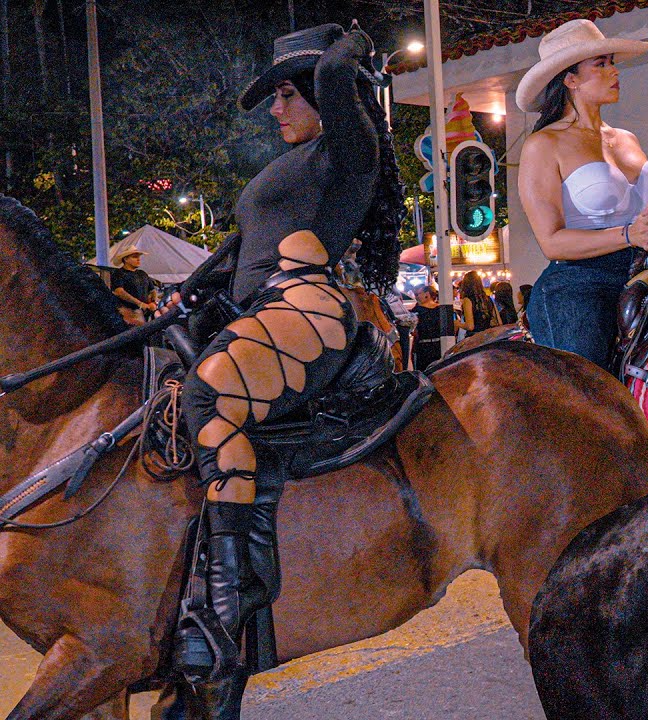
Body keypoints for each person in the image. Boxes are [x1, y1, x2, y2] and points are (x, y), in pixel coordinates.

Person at [172, 22, 404, 681]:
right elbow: (237, 254)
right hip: (258, 311)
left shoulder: (348, 149)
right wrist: (182, 295)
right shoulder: (284, 168)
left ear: (319, 94)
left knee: (210, 394)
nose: (275, 110)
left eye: (283, 95)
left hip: (305, 310)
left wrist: (354, 47)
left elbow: (335, 77)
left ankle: (231, 595)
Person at [516, 19, 648, 371]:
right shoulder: (543, 145)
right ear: (570, 79)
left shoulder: (627, 139)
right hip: (578, 284)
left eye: (612, 62)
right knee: (593, 389)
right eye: (601, 64)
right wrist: (629, 235)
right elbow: (552, 242)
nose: (614, 72)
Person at [111, 248, 156, 326]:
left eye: (138, 257)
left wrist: (153, 302)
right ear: (126, 259)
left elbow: (152, 290)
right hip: (129, 311)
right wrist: (140, 304)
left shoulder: (142, 273)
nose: (138, 259)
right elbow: (119, 292)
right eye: (135, 257)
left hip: (145, 310)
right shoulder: (118, 274)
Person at [412, 284, 451, 368]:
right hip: (439, 345)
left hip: (423, 348)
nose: (417, 297)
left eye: (418, 294)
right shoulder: (441, 309)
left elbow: (414, 331)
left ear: (427, 294)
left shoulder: (417, 311)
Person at [456, 270, 497, 337]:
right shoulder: (488, 299)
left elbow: (470, 326)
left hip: (475, 338)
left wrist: (458, 324)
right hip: (488, 336)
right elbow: (497, 320)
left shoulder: (468, 300)